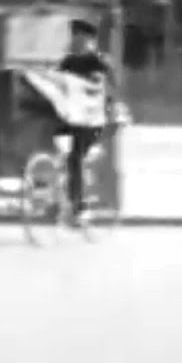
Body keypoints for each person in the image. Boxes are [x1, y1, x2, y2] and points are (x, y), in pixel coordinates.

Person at [57, 18, 114, 225]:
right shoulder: (68, 62)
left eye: (81, 38)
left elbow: (107, 88)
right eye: (75, 38)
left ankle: (79, 206)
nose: (76, 42)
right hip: (72, 118)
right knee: (59, 151)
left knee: (75, 158)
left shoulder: (98, 62)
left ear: (89, 40)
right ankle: (59, 196)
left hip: (92, 121)